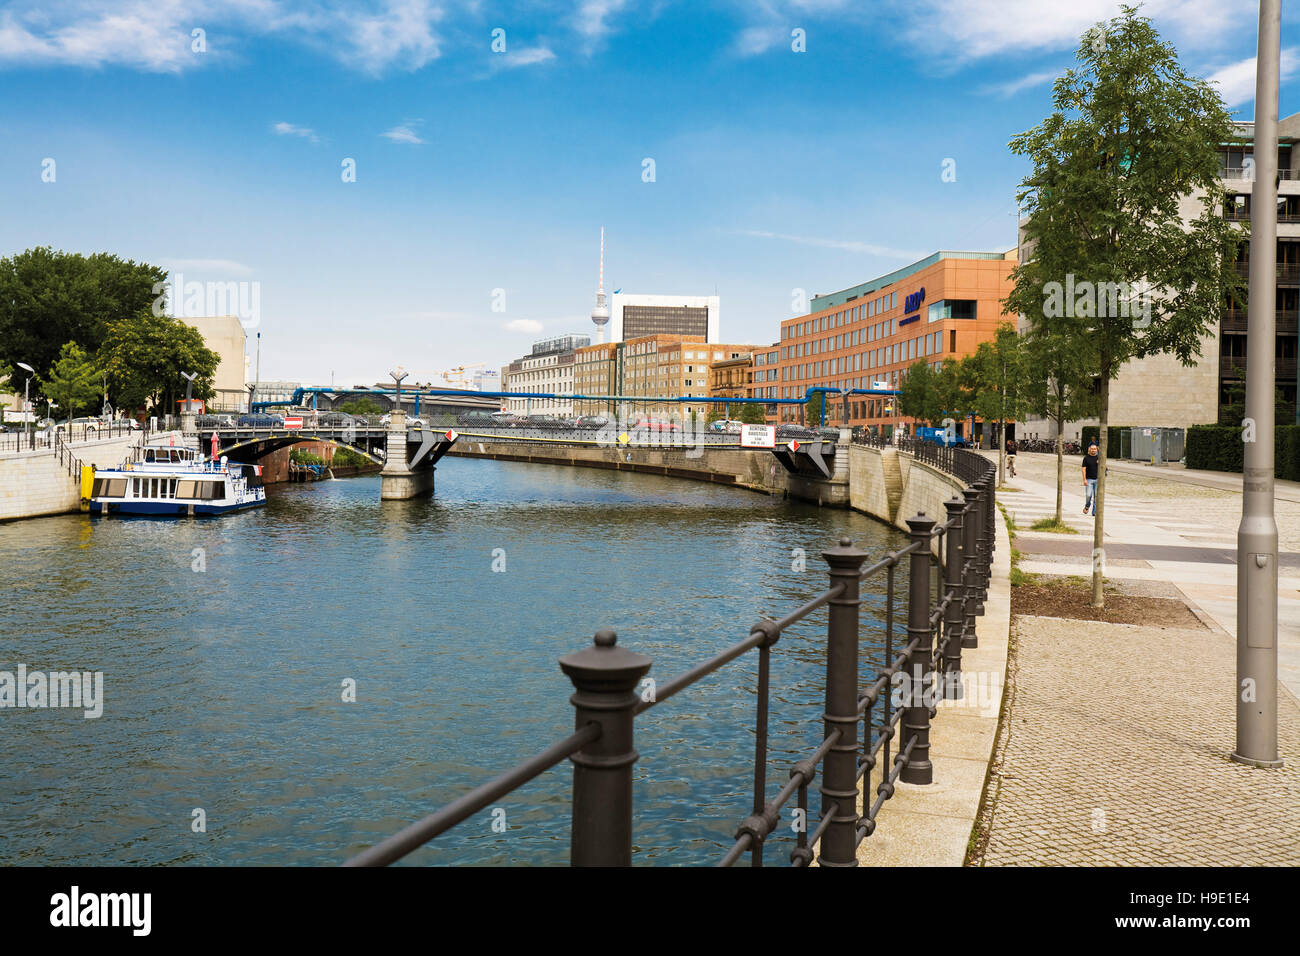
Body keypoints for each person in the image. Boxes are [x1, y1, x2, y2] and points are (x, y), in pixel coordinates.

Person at [1082, 440, 1100, 515]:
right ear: (1089, 449)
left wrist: (1100, 463)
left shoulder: (1099, 458)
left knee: (1096, 496)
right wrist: (1084, 479)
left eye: (1095, 449)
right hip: (1089, 479)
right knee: (1088, 495)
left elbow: (1105, 468)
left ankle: (1094, 511)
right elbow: (1083, 469)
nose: (1093, 450)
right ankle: (1087, 505)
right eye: (1092, 449)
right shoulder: (1086, 458)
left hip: (1097, 479)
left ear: (1097, 449)